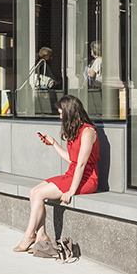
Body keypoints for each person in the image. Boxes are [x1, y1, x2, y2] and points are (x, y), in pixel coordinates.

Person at [14, 93, 100, 254]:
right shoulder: (76, 131)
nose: (60, 117)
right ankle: (41, 235)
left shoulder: (88, 132)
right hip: (73, 174)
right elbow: (72, 160)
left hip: (87, 179)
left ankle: (29, 236)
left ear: (70, 112)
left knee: (39, 194)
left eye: (61, 113)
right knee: (33, 192)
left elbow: (82, 164)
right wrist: (53, 143)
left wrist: (71, 191)